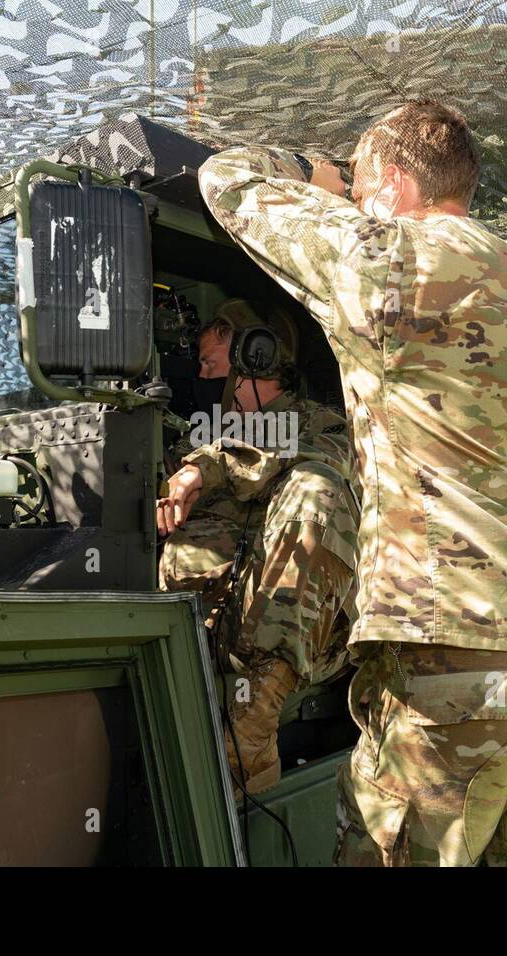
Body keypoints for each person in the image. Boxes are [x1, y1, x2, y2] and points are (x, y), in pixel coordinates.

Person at [197, 100, 507, 864]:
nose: (352, 203)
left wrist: (315, 174)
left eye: (358, 188)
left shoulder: (384, 259)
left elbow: (226, 178)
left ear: (391, 181)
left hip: (465, 657)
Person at [157, 298, 360, 795]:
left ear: (256, 356)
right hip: (197, 629)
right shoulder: (199, 435)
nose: (204, 377)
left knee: (316, 489)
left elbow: (286, 451)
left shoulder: (324, 425)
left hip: (291, 646)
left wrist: (204, 468)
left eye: (212, 363)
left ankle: (256, 713)